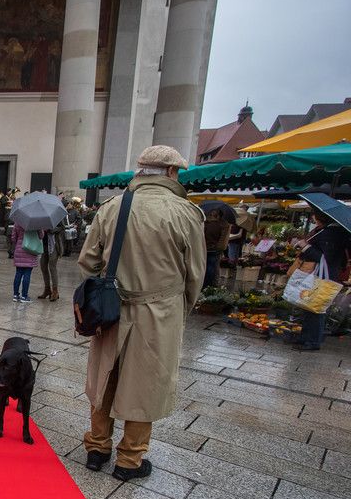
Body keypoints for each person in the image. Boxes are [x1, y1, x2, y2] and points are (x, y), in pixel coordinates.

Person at [78, 145, 205, 481]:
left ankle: (96, 448)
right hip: (159, 310)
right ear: (173, 172)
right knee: (145, 384)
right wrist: (180, 309)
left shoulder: (112, 207)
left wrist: (108, 285)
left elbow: (87, 262)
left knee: (105, 376)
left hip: (111, 307)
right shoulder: (185, 212)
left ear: (141, 170)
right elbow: (195, 274)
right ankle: (129, 460)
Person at [290, 209, 350, 351]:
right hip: (325, 275)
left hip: (323, 277)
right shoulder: (334, 232)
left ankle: (312, 341)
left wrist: (305, 247)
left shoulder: (330, 233)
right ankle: (306, 338)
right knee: (310, 307)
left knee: (315, 309)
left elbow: (324, 258)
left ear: (319, 217)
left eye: (314, 214)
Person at [8, 223, 41, 302]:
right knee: (27, 273)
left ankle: (15, 295)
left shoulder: (18, 222)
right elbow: (41, 236)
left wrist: (19, 242)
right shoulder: (36, 223)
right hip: (30, 249)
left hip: (19, 249)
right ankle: (24, 296)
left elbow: (13, 238)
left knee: (18, 273)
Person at [201, 205, 230, 289]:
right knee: (213, 267)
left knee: (205, 267)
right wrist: (219, 247)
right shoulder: (223, 225)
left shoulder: (205, 223)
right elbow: (223, 238)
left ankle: (204, 284)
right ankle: (210, 285)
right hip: (214, 249)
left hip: (205, 248)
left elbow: (202, 235)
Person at [37, 217, 65, 301]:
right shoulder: (41, 215)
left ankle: (55, 291)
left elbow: (62, 227)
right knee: (43, 266)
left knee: (52, 267)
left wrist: (51, 230)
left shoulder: (55, 214)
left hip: (54, 244)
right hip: (44, 244)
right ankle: (47, 289)